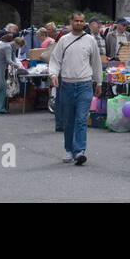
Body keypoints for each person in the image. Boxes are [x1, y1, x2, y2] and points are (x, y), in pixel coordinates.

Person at [49, 12, 103, 166]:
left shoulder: (90, 40)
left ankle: (79, 151)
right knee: (68, 120)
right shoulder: (63, 40)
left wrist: (99, 82)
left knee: (80, 119)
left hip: (85, 84)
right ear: (71, 22)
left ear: (84, 22)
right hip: (66, 84)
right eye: (76, 21)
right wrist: (53, 74)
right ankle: (68, 149)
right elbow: (55, 60)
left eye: (81, 21)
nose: (79, 23)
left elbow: (96, 63)